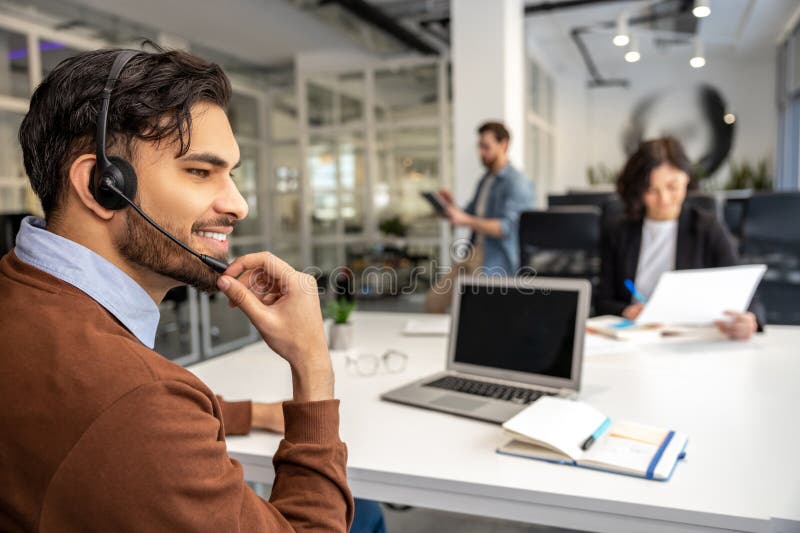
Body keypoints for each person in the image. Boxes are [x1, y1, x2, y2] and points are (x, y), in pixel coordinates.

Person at [0, 47, 353, 531]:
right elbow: (131, 412)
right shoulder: (140, 399)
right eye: (200, 172)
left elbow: (102, 416)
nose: (239, 205)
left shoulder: (21, 297)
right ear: (102, 184)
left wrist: (247, 414)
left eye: (231, 175)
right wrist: (313, 365)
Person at [595, 137, 764, 340]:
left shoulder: (707, 228)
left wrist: (750, 321)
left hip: (691, 340)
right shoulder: (618, 232)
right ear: (638, 190)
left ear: (686, 179)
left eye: (672, 186)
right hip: (634, 337)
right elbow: (602, 300)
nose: (664, 199)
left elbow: (746, 294)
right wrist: (626, 311)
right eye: (651, 190)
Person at [425, 121, 534, 313]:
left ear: (504, 145)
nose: (481, 153)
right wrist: (450, 206)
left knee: (474, 313)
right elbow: (469, 214)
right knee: (434, 302)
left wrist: (465, 219)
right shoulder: (485, 180)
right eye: (479, 146)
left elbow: (505, 228)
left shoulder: (517, 182)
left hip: (497, 259)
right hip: (474, 252)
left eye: (486, 147)